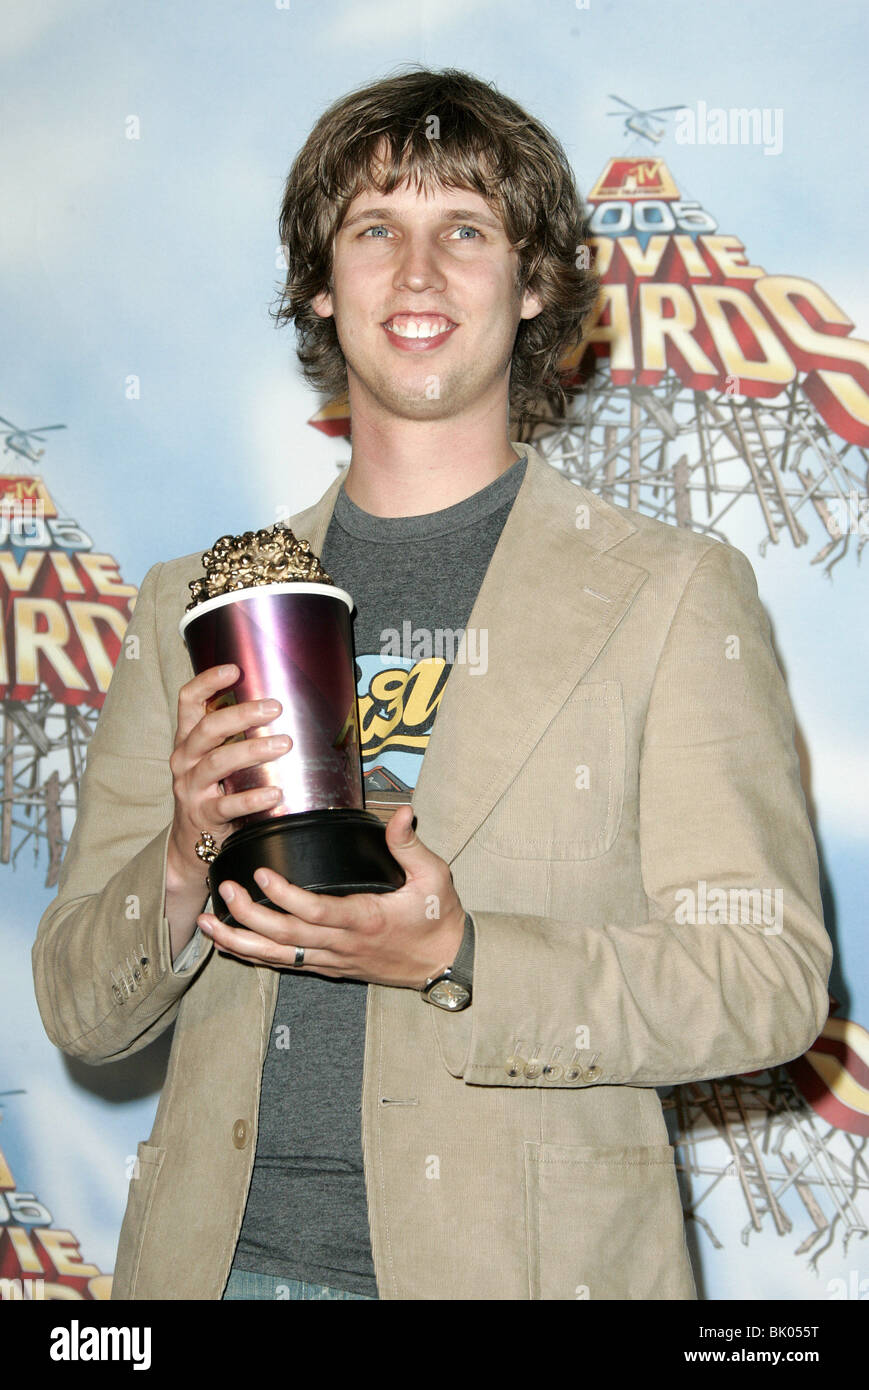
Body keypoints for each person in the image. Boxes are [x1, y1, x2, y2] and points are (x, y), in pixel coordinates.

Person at [32, 66, 832, 1302]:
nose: (415, 273)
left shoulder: (671, 592)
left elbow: (763, 983)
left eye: (463, 229)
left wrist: (459, 953)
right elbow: (82, 1008)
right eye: (373, 230)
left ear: (533, 287)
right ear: (318, 282)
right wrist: (186, 853)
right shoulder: (189, 607)